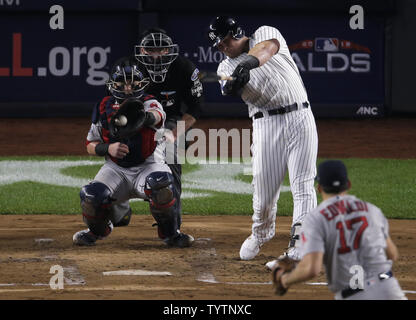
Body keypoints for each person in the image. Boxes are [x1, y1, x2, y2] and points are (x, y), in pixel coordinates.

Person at [207, 16, 318, 262]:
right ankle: (261, 233)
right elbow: (227, 87)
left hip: (300, 116)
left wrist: (247, 63)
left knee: (303, 185)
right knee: (264, 194)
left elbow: (267, 49)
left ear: (236, 33)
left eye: (224, 42)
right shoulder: (224, 67)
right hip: (266, 124)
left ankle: (300, 244)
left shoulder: (265, 32)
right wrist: (235, 81)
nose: (222, 48)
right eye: (218, 46)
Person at [72, 61, 194, 248]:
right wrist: (108, 149)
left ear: (141, 84)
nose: (128, 88)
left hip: (149, 164)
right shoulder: (103, 107)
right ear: (114, 84)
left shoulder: (150, 102)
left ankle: (170, 233)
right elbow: (90, 144)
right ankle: (98, 230)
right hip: (116, 169)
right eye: (123, 83)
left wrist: (142, 117)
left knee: (161, 185)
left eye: (133, 83)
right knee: (91, 196)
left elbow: (157, 115)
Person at [272, 160, 407, 299]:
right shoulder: (372, 211)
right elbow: (392, 254)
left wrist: (285, 280)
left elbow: (311, 269)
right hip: (390, 289)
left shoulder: (315, 219)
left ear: (319, 188)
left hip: (355, 295)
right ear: (348, 184)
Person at [110, 27, 203, 228]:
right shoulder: (126, 68)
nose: (156, 55)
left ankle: (171, 218)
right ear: (140, 51)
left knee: (170, 154)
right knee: (119, 153)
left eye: (161, 50)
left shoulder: (184, 68)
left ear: (170, 50)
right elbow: (115, 104)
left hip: (169, 120)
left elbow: (195, 108)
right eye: (150, 50)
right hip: (134, 118)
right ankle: (119, 210)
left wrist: (174, 134)